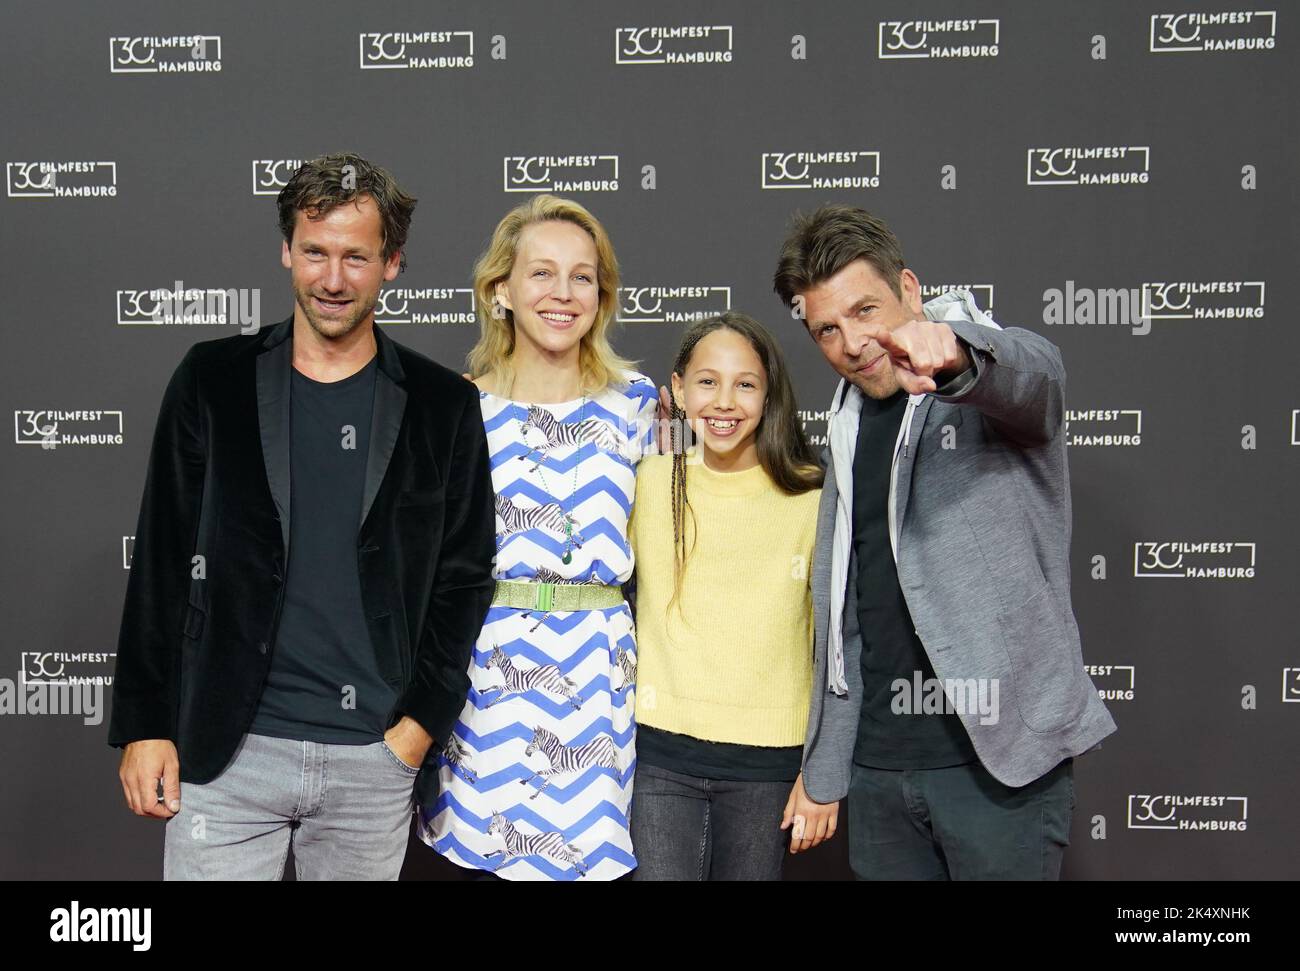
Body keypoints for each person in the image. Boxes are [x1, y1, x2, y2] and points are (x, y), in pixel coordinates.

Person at [108, 153, 497, 880]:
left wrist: (417, 730)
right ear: (286, 250)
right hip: (225, 752)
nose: (332, 278)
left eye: (356, 256)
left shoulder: (444, 405)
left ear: (393, 263)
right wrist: (145, 724)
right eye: (314, 251)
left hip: (370, 760)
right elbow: (162, 556)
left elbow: (465, 576)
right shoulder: (212, 379)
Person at [773, 204, 1116, 880]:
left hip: (998, 767)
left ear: (909, 287)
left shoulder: (985, 376)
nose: (851, 342)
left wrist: (958, 353)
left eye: (866, 309)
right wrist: (826, 763)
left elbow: (1037, 376)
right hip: (880, 774)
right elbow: (849, 610)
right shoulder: (845, 426)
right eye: (827, 329)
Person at [419, 194, 659, 881]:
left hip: (598, 674)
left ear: (602, 294)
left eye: (582, 276)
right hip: (485, 675)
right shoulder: (459, 407)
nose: (563, 293)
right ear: (501, 290)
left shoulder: (639, 403)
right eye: (542, 273)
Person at [627, 312, 832, 880]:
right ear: (678, 389)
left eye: (745, 384)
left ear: (768, 396)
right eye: (707, 381)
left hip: (770, 766)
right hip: (660, 758)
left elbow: (837, 643)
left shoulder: (812, 496)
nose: (724, 401)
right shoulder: (646, 480)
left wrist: (822, 771)